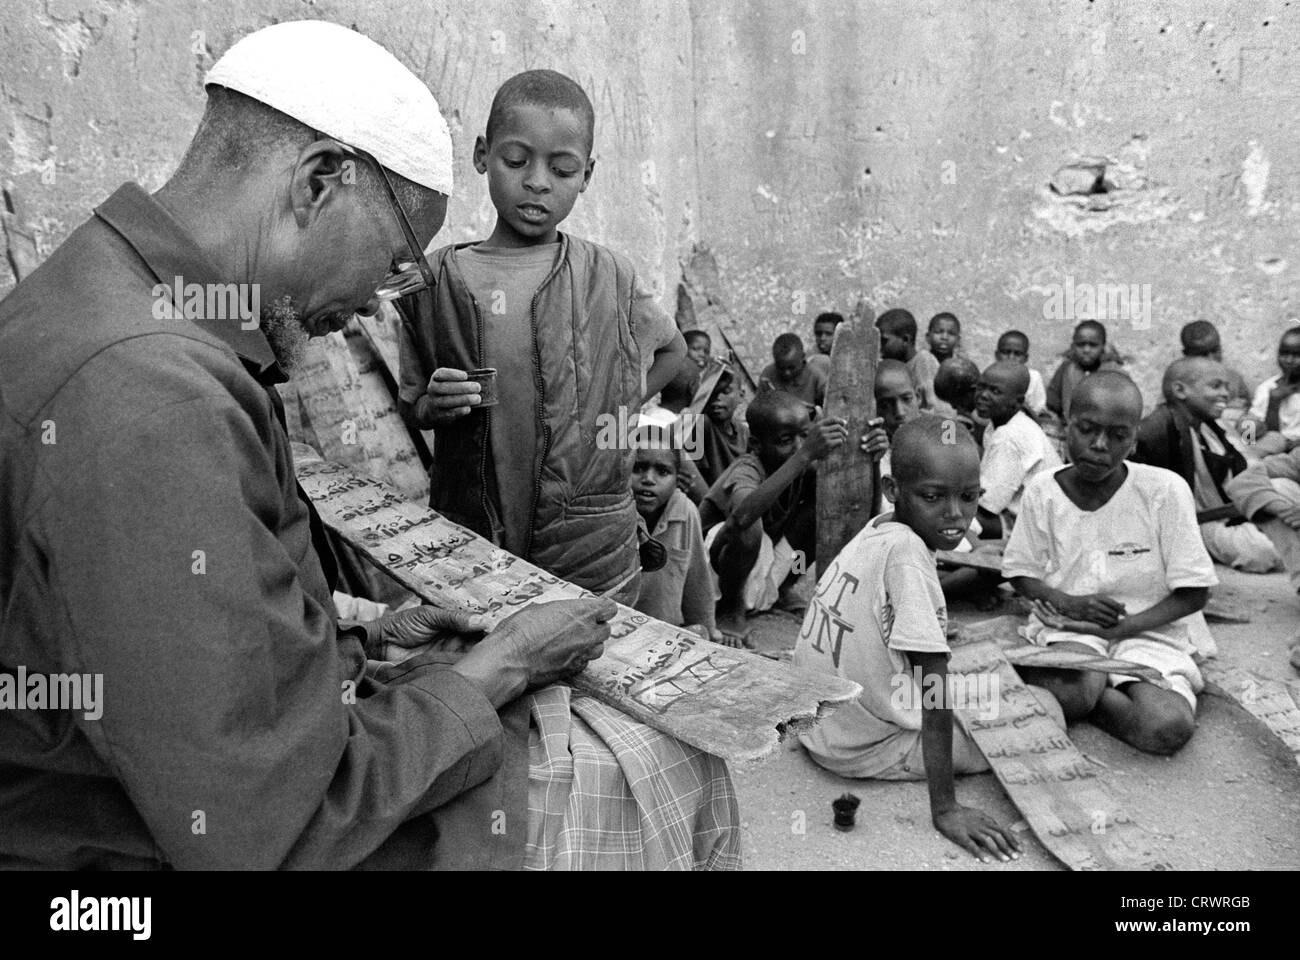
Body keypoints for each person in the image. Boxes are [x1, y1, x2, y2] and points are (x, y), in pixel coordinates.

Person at [0, 23, 737, 872]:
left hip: (173, 789)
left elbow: (186, 653)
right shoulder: (152, 394)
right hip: (126, 853)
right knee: (653, 770)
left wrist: (370, 636)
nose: (370, 311)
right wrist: (497, 669)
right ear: (319, 182)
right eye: (391, 264)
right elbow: (255, 831)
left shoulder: (105, 295)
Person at [397, 69, 687, 603]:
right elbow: (413, 404)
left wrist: (610, 409)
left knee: (587, 663)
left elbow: (673, 352)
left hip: (586, 543)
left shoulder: (607, 275)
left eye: (562, 169)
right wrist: (432, 407)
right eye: (516, 161)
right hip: (473, 539)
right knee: (483, 657)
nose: (537, 182)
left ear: (587, 174)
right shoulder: (434, 281)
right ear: (483, 155)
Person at [794, 416, 1060, 862]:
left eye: (969, 496)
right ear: (894, 489)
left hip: (818, 724)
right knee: (1047, 707)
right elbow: (934, 696)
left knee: (1001, 688)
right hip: (862, 748)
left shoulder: (880, 526)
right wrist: (946, 809)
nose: (955, 513)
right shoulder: (909, 560)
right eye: (933, 496)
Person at [1003, 373, 1217, 756]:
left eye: (1118, 436)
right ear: (1066, 425)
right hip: (1071, 626)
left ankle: (1098, 686)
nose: (1100, 446)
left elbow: (1194, 593)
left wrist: (1121, 629)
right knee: (1067, 697)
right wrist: (1067, 602)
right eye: (1087, 430)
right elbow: (1021, 572)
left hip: (1149, 630)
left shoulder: (1164, 491)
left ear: (1134, 439)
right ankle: (1091, 686)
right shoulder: (1043, 490)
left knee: (1167, 728)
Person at [700, 392, 847, 644]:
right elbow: (741, 519)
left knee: (818, 509)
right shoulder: (748, 468)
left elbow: (846, 501)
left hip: (760, 568)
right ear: (756, 444)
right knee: (750, 528)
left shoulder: (799, 465)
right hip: (716, 573)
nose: (800, 446)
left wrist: (871, 459)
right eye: (785, 440)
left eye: (805, 435)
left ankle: (785, 586)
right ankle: (729, 609)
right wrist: (804, 455)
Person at [1133, 357, 1279, 573]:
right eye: (1216, 386)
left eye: (1227, 387)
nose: (1226, 394)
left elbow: (1247, 431)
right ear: (1180, 390)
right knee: (1261, 552)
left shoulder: (1212, 421)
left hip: (1228, 499)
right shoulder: (1155, 431)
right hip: (1194, 522)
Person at [630, 427, 720, 641]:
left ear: (678, 479)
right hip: (616, 628)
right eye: (638, 468)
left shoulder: (685, 511)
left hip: (661, 633)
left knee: (698, 633)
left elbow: (697, 581)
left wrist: (707, 631)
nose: (648, 479)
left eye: (662, 472)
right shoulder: (613, 509)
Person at [973, 361, 1062, 540]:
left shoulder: (1010, 436)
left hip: (1038, 530)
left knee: (949, 519)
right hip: (1023, 514)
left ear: (1018, 401)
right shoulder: (1000, 424)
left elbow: (988, 506)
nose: (983, 395)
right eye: (981, 387)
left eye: (995, 391)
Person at [1226, 446, 1300, 600]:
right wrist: (1281, 508)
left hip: (1273, 441)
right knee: (1275, 487)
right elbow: (1243, 480)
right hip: (1252, 447)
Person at [677, 368, 748, 502]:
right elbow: (675, 442)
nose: (717, 398)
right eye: (713, 392)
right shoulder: (701, 424)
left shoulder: (744, 433)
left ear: (741, 395)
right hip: (708, 510)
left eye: (725, 391)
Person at [1238, 327, 1300, 456]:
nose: (1289, 360)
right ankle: (1242, 457)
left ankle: (1245, 461)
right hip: (1271, 445)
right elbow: (1267, 431)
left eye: (1297, 355)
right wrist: (1274, 401)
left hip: (1295, 451)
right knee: (1246, 423)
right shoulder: (1266, 388)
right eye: (1284, 353)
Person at [1045, 320, 1122, 422]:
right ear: (1073, 346)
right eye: (1081, 345)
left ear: (1103, 346)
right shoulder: (1066, 369)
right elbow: (1053, 402)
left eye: (1093, 345)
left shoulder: (1113, 372)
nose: (1086, 350)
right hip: (1071, 427)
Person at [1179, 320, 1251, 423]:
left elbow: (1247, 408)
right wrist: (1223, 409)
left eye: (1215, 350)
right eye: (1202, 354)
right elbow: (1172, 417)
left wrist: (1243, 408)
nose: (1211, 359)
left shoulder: (1233, 378)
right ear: (1186, 355)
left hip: (1233, 434)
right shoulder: (1180, 383)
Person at [876, 307, 938, 411]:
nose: (879, 347)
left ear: (905, 339)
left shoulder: (923, 360)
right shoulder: (896, 367)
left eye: (884, 341)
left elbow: (933, 405)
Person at [758, 332, 827, 411]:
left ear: (803, 357)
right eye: (781, 368)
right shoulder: (768, 375)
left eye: (792, 368)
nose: (787, 373)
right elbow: (760, 406)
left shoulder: (816, 376)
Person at [994, 329, 1048, 416]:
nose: (1011, 357)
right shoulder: (990, 376)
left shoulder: (1034, 377)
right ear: (997, 355)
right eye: (1005, 352)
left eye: (1017, 354)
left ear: (1025, 358)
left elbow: (1038, 410)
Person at [933, 356, 985, 446]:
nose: (953, 406)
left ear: (972, 390)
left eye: (956, 401)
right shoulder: (970, 411)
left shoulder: (985, 414)